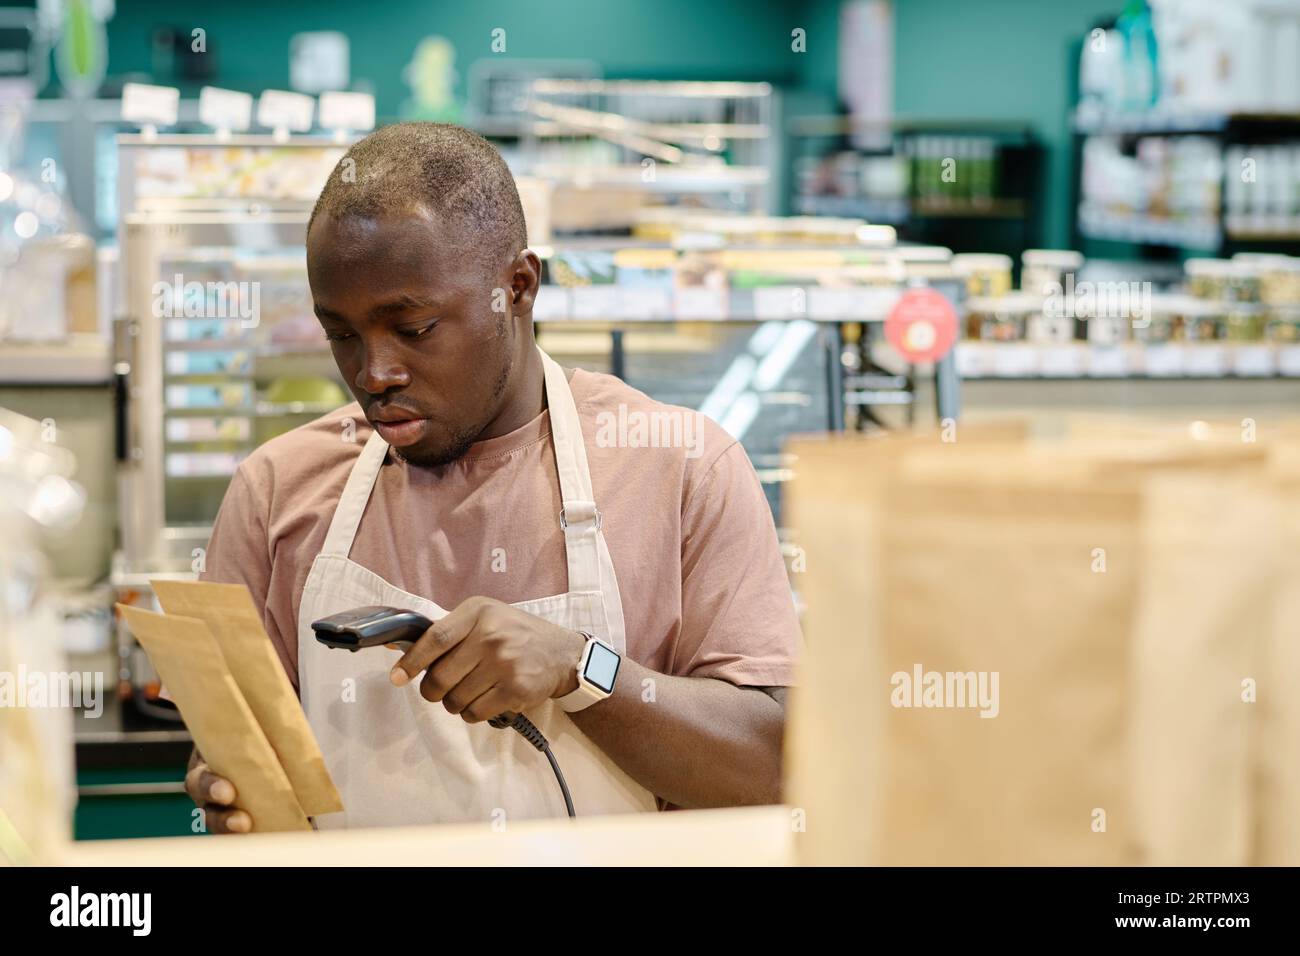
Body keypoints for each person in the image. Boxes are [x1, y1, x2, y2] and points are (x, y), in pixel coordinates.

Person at [185, 122, 803, 831]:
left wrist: (582, 670)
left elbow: (775, 767)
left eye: (414, 329)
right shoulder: (276, 491)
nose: (374, 374)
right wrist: (225, 791)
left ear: (517, 287)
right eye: (342, 335)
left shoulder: (679, 468)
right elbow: (236, 761)